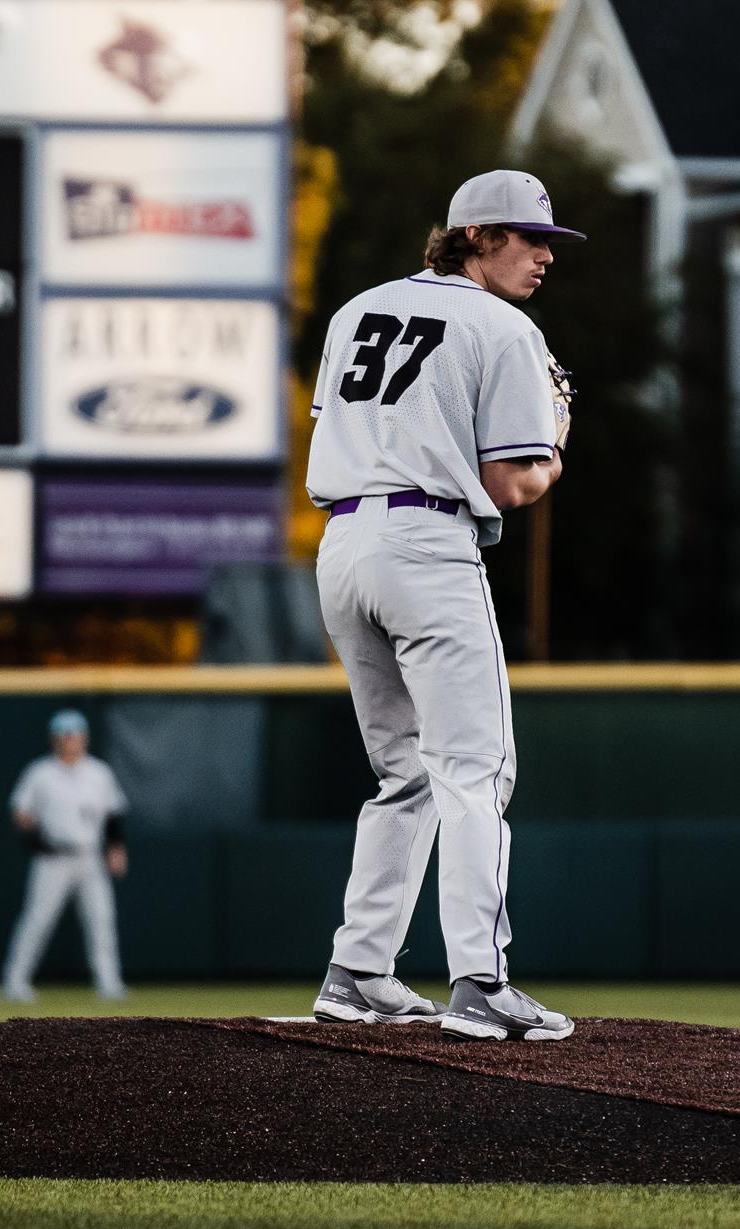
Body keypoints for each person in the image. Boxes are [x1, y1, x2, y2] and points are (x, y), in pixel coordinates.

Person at [303, 169, 582, 1041]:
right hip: (426, 543)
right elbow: (511, 479)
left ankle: (357, 971)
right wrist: (558, 449)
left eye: (547, 242)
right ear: (472, 239)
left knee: (406, 773)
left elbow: (340, 423)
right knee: (475, 768)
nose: (543, 254)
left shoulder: (356, 309)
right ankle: (483, 981)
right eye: (525, 237)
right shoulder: (504, 326)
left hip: (343, 544)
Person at [2, 709, 130, 1003]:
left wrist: (116, 849)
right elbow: (20, 812)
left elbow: (114, 814)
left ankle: (109, 983)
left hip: (90, 856)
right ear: (55, 738)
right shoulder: (40, 772)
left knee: (100, 919)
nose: (70, 741)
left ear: (84, 737)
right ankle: (15, 981)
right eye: (65, 735)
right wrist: (34, 834)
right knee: (38, 918)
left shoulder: (99, 772)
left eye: (75, 735)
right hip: (53, 857)